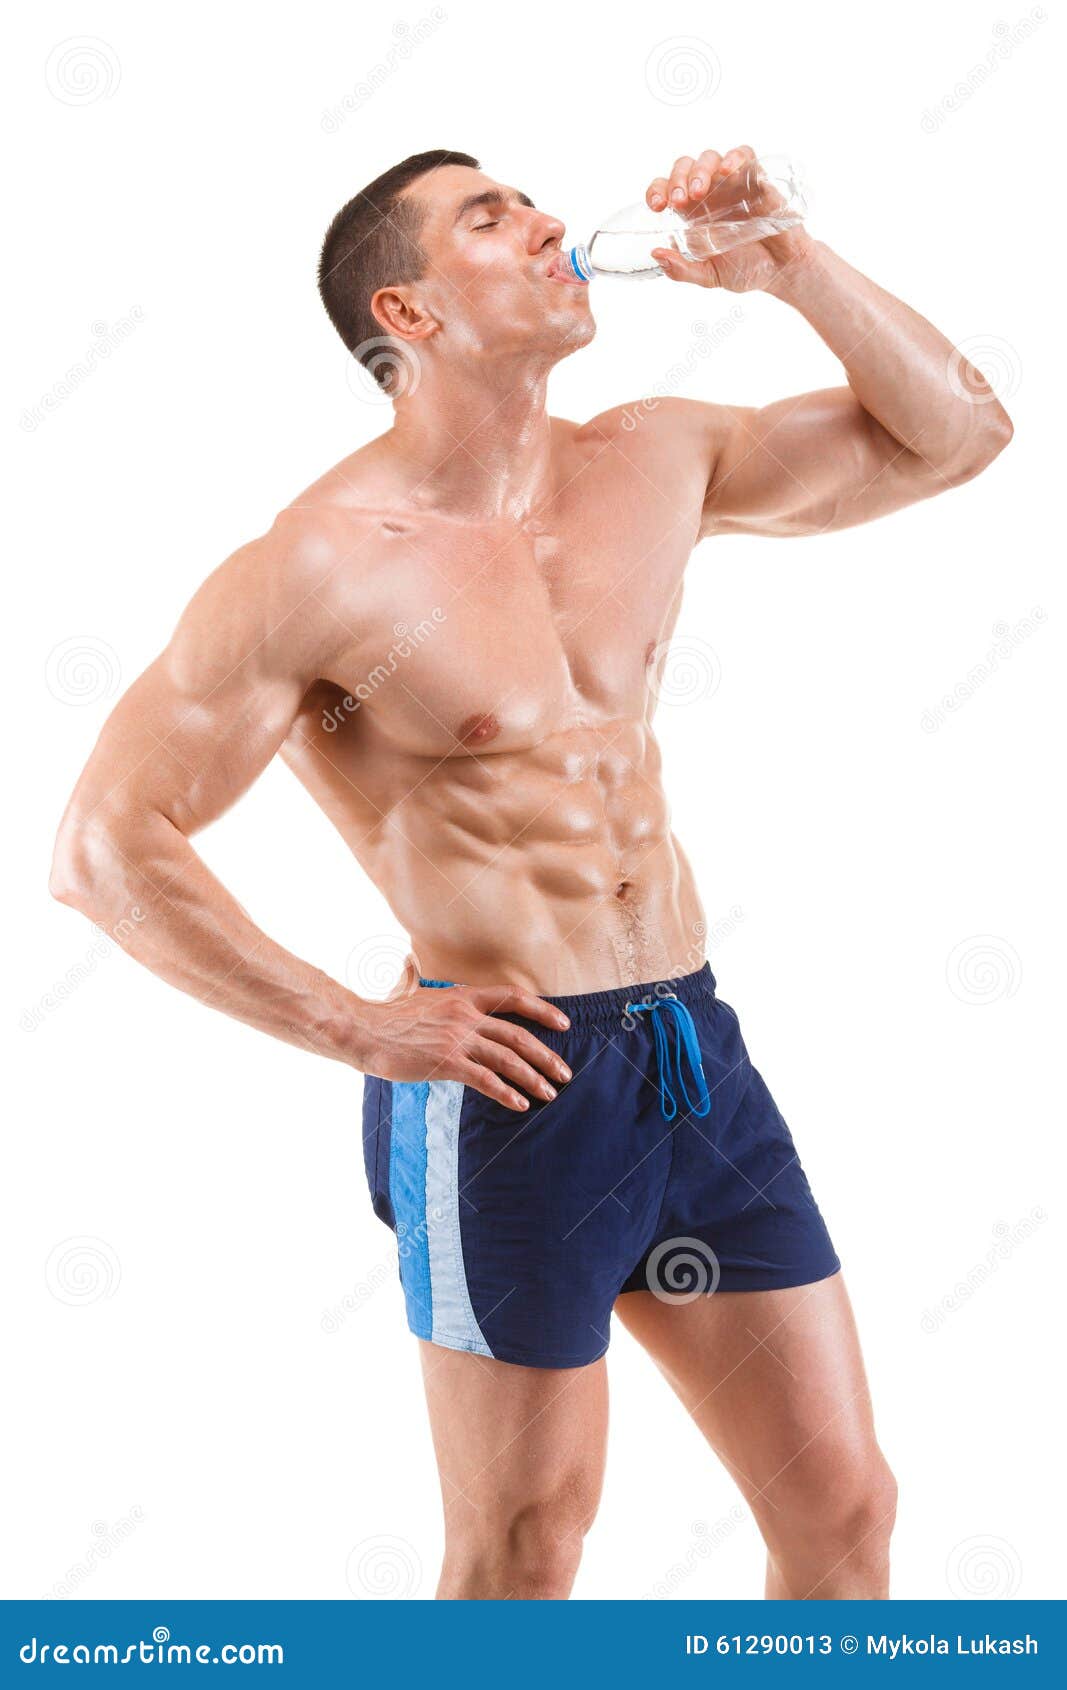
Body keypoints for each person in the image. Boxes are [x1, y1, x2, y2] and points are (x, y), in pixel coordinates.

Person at [51, 145, 1012, 1599]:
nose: (549, 219)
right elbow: (106, 841)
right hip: (507, 1086)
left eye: (533, 199)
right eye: (489, 219)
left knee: (844, 1509)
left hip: (690, 1050)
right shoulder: (320, 566)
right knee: (526, 1540)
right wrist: (355, 1024)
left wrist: (791, 267)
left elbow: (960, 436)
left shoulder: (654, 456)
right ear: (412, 312)